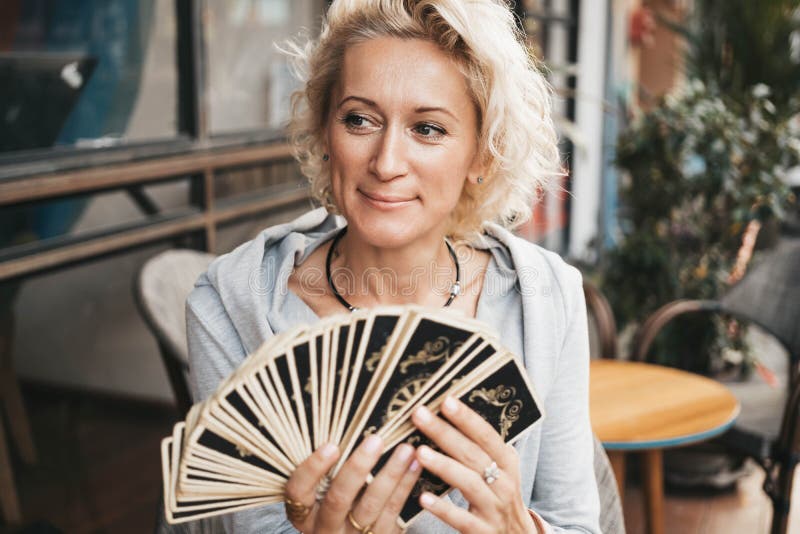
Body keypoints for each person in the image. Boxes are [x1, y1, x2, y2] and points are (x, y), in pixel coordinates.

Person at [186, 0, 601, 532]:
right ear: (325, 134)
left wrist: (525, 530)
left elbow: (579, 525)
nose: (385, 163)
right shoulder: (230, 305)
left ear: (481, 155)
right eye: (359, 120)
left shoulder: (545, 298)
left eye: (428, 129)